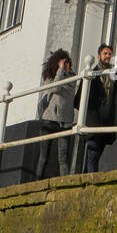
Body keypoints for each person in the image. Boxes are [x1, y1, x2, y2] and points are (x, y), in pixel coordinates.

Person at [76, 44, 117, 173]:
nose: (108, 56)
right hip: (93, 121)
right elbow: (79, 99)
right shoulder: (91, 73)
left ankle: (84, 181)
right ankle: (92, 184)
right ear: (99, 56)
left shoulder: (115, 75)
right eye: (105, 53)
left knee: (95, 156)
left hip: (107, 122)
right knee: (93, 154)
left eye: (109, 54)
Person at [35, 49, 76, 179]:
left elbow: (64, 89)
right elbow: (55, 88)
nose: (66, 65)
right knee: (44, 156)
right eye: (64, 62)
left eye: (68, 62)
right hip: (49, 119)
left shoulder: (72, 77)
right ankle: (37, 181)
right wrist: (60, 71)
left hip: (65, 121)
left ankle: (64, 184)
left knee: (63, 158)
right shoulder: (50, 77)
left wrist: (64, 72)